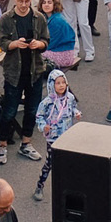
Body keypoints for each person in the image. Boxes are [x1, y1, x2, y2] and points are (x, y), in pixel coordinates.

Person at [0, 0, 48, 165]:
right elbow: (2, 43)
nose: (24, 5)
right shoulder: (6, 19)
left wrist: (39, 45)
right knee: (9, 111)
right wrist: (14, 44)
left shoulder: (38, 18)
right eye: (20, 1)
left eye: (26, 1)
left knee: (32, 110)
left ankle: (26, 143)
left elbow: (46, 40)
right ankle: (2, 145)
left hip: (35, 71)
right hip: (14, 72)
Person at [31, 69, 79, 203]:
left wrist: (76, 113)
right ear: (52, 85)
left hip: (67, 135)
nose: (62, 85)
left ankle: (67, 188)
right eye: (58, 83)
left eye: (63, 82)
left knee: (68, 162)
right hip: (53, 137)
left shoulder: (70, 97)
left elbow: (73, 107)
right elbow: (39, 116)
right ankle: (40, 185)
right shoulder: (47, 102)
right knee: (50, 162)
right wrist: (43, 126)